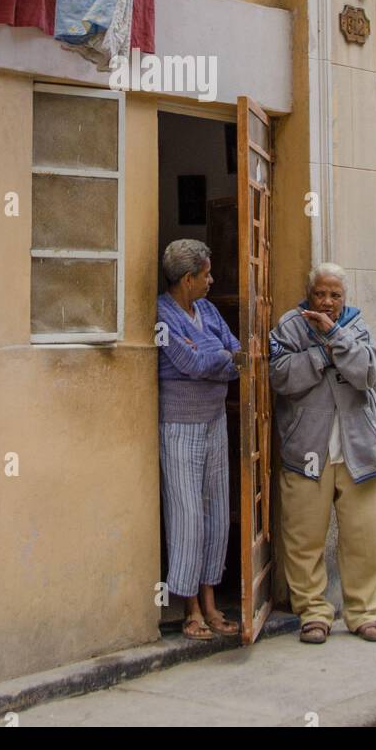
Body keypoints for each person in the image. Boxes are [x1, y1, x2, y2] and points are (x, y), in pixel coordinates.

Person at [269, 262, 376, 644]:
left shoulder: (356, 325)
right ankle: (314, 613)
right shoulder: (290, 326)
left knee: (365, 539)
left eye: (335, 295)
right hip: (308, 450)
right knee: (304, 539)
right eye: (320, 293)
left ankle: (364, 613)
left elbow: (368, 373)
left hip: (359, 452)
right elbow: (280, 376)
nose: (327, 301)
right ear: (309, 294)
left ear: (345, 298)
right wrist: (321, 355)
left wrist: (335, 337)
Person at [156, 239, 242, 639]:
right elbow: (189, 362)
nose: (212, 280)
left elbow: (238, 354)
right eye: (206, 274)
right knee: (187, 515)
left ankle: (211, 602)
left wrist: (218, 358)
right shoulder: (162, 314)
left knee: (216, 510)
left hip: (214, 419)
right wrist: (218, 358)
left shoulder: (207, 310)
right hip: (179, 424)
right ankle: (189, 606)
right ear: (188, 278)